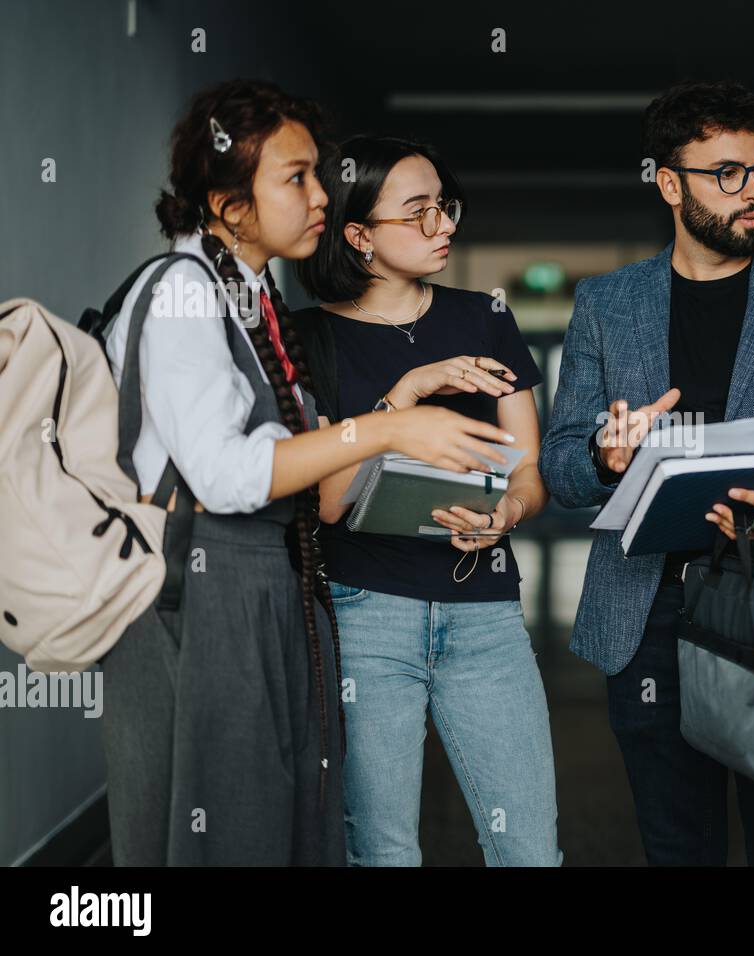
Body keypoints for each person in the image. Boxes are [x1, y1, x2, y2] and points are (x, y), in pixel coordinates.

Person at [99, 81, 512, 866]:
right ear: (228, 205)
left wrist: (400, 402)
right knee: (229, 830)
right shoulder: (187, 294)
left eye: (316, 173)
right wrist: (391, 426)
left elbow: (320, 480)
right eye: (296, 178)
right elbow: (225, 477)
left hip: (272, 595)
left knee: (282, 826)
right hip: (208, 601)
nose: (321, 194)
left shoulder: (252, 295)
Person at [539, 80, 754, 866]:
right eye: (727, 174)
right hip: (648, 617)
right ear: (670, 184)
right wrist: (606, 455)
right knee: (676, 847)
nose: (753, 192)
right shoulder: (606, 304)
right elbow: (558, 463)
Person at [295, 135, 561, 867]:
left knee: (530, 853)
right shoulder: (309, 339)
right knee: (383, 854)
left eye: (445, 207)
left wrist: (509, 511)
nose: (444, 224)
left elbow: (529, 468)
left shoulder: (486, 317)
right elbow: (329, 501)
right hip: (365, 613)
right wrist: (405, 394)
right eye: (419, 213)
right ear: (359, 237)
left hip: (486, 615)